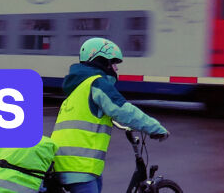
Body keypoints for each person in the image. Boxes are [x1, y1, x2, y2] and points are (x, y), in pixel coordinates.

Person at [52, 37, 168, 193]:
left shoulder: (76, 90)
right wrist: (155, 128)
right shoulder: (97, 83)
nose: (116, 69)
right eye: (113, 63)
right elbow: (123, 110)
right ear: (102, 62)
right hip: (79, 167)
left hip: (60, 163)